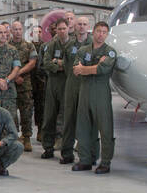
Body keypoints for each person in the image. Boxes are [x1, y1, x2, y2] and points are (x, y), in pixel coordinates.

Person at [73, 21, 118, 174]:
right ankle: (85, 160)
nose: (101, 35)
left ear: (107, 34)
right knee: (83, 127)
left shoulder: (110, 52)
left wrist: (85, 68)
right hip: (84, 91)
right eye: (98, 31)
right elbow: (76, 70)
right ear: (93, 32)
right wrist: (94, 67)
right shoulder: (83, 50)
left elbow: (103, 69)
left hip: (101, 93)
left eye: (104, 32)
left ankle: (105, 162)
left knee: (105, 127)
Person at [58, 14, 91, 165]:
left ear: (88, 27)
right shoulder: (69, 45)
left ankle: (86, 154)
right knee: (69, 119)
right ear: (75, 27)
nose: (82, 26)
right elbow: (65, 65)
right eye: (79, 24)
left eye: (85, 24)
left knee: (86, 121)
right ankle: (66, 153)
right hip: (71, 85)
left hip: (87, 86)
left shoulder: (93, 44)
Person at [37, 17, 71, 158]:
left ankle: (65, 148)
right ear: (55, 30)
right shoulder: (51, 45)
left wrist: (58, 63)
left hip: (67, 84)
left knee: (66, 117)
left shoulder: (73, 45)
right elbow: (46, 64)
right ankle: (48, 147)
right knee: (49, 116)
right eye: (59, 29)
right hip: (52, 84)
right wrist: (61, 65)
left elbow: (72, 65)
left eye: (64, 28)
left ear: (68, 28)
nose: (62, 31)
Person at [8, 20, 38, 152]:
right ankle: (13, 137)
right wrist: (13, 76)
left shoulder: (29, 46)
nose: (17, 32)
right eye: (15, 29)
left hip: (25, 84)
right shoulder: (6, 46)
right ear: (11, 31)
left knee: (26, 112)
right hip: (10, 85)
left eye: (19, 29)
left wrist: (18, 73)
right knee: (11, 113)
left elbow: (32, 63)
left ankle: (26, 137)